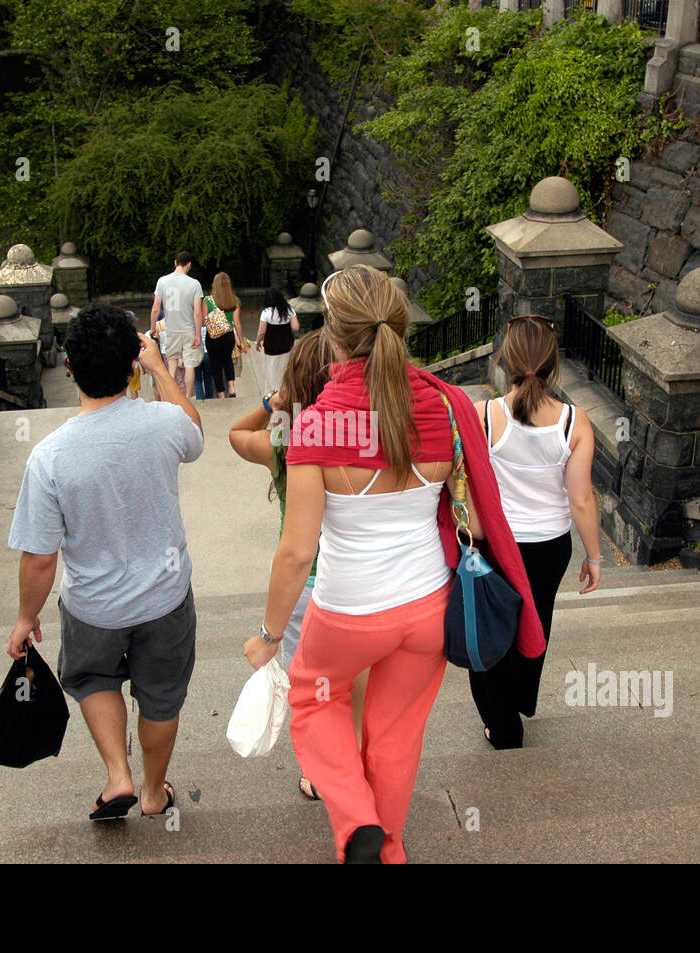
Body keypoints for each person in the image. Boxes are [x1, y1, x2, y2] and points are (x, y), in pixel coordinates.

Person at [243, 265, 543, 864]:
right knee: (397, 737)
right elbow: (477, 519)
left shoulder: (318, 423)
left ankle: (355, 825)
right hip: (429, 609)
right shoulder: (445, 405)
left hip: (348, 613)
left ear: (332, 335)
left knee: (314, 700)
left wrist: (269, 635)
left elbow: (298, 550)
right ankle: (391, 847)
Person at [6, 303, 204, 820]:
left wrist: (27, 617)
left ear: (69, 367)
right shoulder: (164, 423)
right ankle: (154, 792)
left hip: (93, 608)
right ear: (132, 366)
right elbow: (196, 433)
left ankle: (118, 774)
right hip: (164, 598)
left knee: (94, 680)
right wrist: (161, 368)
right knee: (161, 697)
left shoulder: (50, 455)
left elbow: (41, 558)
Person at [229, 330, 360, 801]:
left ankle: (320, 771)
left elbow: (236, 434)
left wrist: (273, 401)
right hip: (356, 579)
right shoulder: (362, 437)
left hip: (307, 590)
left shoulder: (285, 447)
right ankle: (358, 757)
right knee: (353, 679)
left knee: (312, 686)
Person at [470, 316, 601, 750]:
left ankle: (504, 725)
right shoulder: (573, 421)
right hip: (550, 547)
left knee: (494, 630)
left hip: (496, 544)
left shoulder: (484, 416)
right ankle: (524, 698)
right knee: (536, 618)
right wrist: (594, 556)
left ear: (505, 360)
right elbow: (581, 499)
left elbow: (468, 483)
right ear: (552, 364)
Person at [151, 252, 204, 399]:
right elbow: (198, 313)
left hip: (171, 329)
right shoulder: (194, 284)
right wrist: (198, 334)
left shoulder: (162, 281)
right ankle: (187, 397)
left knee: (172, 365)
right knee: (189, 365)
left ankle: (170, 395)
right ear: (189, 264)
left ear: (175, 262)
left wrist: (152, 327)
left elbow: (156, 308)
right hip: (189, 330)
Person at [198, 272, 249, 398]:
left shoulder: (208, 300)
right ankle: (231, 387)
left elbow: (204, 322)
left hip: (213, 337)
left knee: (215, 366)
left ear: (215, 285)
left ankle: (221, 394)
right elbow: (237, 323)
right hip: (228, 336)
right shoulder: (235, 300)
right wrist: (241, 342)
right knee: (227, 361)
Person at [256, 287, 299, 392]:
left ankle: (272, 395)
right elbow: (296, 327)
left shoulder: (266, 312)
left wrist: (257, 343)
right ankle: (285, 391)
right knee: (285, 371)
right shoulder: (289, 310)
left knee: (271, 372)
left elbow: (261, 332)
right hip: (287, 346)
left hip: (271, 347)